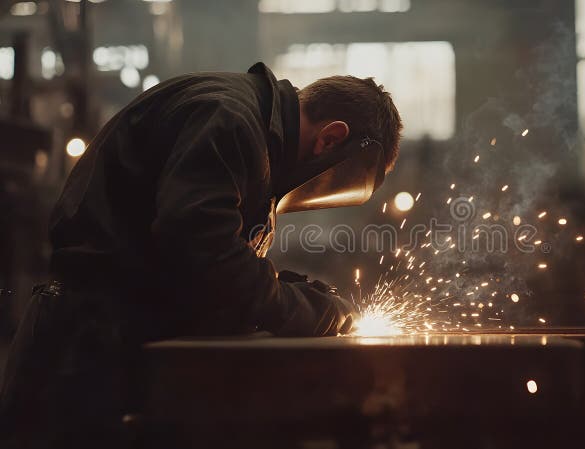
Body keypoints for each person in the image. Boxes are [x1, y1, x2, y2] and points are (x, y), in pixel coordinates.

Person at [0, 62, 402, 448]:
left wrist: (285, 289)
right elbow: (206, 256)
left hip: (110, 345)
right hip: (82, 359)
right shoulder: (228, 120)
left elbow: (214, 260)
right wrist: (311, 312)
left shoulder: (258, 138)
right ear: (330, 138)